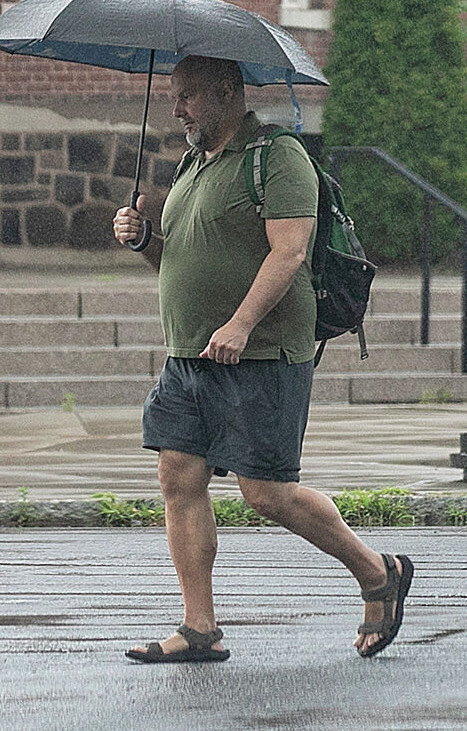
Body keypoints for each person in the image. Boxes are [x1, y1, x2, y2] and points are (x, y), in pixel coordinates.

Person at [113, 54, 414, 664]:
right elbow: (180, 263)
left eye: (189, 96)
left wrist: (240, 325)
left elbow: (290, 252)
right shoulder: (195, 163)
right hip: (189, 352)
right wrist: (147, 241)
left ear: (227, 92)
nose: (177, 109)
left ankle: (378, 572)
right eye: (173, 96)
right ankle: (200, 628)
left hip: (262, 352)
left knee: (267, 493)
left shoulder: (277, 158)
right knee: (179, 475)